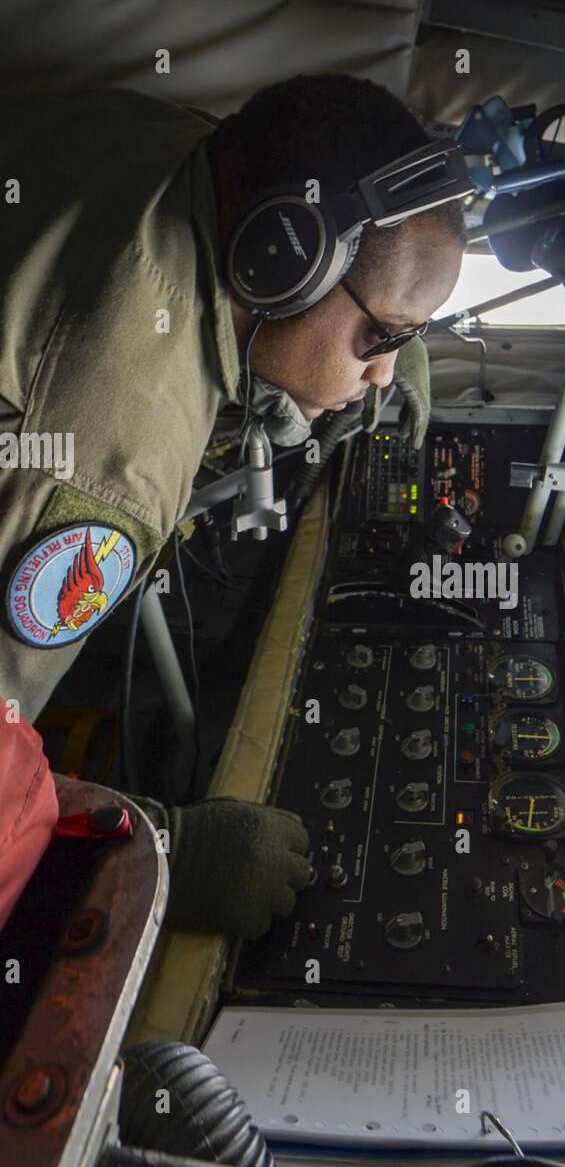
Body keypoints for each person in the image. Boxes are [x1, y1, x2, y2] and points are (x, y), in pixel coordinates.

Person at [0, 73, 467, 937]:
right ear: (284, 259)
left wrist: (349, 343)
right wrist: (148, 856)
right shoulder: (112, 464)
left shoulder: (167, 139)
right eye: (385, 336)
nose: (385, 376)